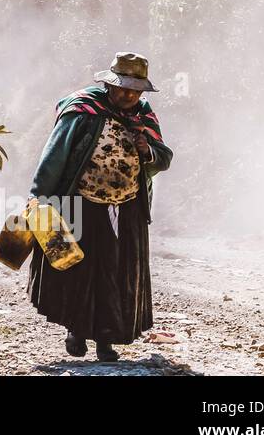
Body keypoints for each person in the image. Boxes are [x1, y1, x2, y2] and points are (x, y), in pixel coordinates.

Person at [26, 52, 173, 362]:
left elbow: (164, 158)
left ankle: (106, 341)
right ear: (110, 84)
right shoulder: (82, 110)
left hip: (127, 206)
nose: (130, 95)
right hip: (80, 200)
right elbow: (55, 156)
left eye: (136, 90)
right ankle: (76, 331)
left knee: (116, 273)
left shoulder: (143, 116)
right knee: (78, 268)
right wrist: (40, 198)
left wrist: (148, 151)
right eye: (124, 88)